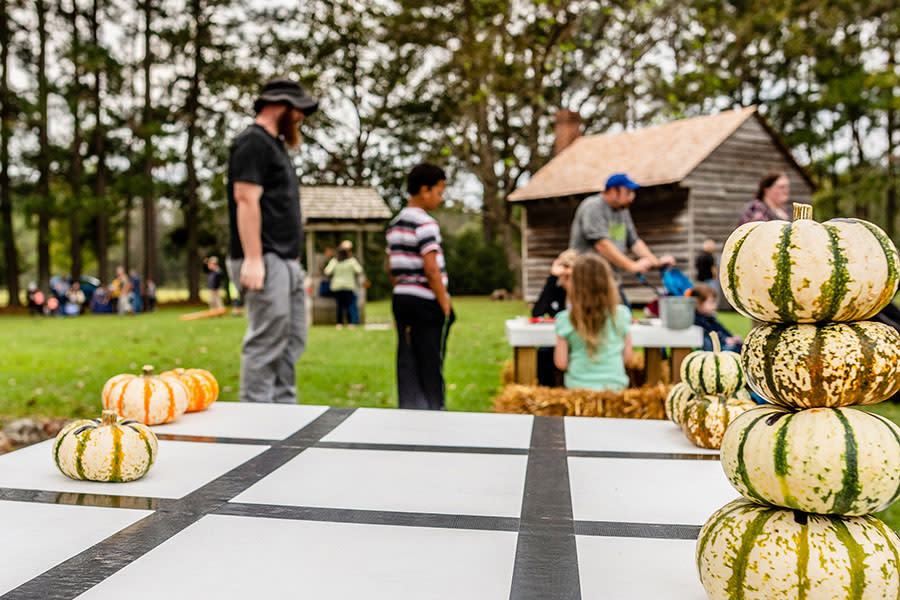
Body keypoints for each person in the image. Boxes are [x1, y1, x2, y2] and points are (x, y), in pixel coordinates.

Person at [226, 78, 317, 404]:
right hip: (262, 259)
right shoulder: (253, 143)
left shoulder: (274, 145)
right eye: (298, 111)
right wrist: (253, 258)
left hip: (286, 261)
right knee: (266, 341)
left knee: (292, 340)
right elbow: (245, 198)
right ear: (279, 105)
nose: (301, 118)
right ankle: (256, 424)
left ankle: (283, 417)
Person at [386, 163, 455, 410]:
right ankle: (433, 407)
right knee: (430, 356)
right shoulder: (426, 224)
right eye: (439, 191)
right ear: (424, 190)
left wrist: (402, 288)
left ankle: (409, 406)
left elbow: (391, 267)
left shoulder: (395, 224)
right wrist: (444, 302)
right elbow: (431, 268)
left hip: (402, 298)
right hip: (426, 300)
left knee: (407, 355)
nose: (441, 197)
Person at [569, 173, 675, 307]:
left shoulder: (622, 211)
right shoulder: (593, 206)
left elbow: (634, 242)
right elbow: (602, 245)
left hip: (610, 279)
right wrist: (632, 266)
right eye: (628, 192)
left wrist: (657, 262)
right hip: (588, 280)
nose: (632, 197)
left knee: (623, 315)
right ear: (613, 191)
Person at [554, 253, 633, 391]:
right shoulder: (622, 314)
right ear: (608, 283)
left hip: (578, 389)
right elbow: (627, 357)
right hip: (615, 388)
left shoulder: (565, 319)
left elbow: (561, 363)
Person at [531, 248, 577, 386]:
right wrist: (552, 278)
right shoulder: (556, 292)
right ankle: (546, 387)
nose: (568, 281)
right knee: (544, 351)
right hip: (558, 342)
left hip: (580, 341)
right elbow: (537, 312)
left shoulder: (585, 296)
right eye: (564, 277)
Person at [692, 283, 742, 353]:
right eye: (711, 302)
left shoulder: (710, 318)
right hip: (713, 350)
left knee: (740, 346)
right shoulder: (697, 320)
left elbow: (722, 330)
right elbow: (710, 335)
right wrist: (725, 339)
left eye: (715, 302)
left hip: (722, 345)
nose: (715, 306)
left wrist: (732, 337)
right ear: (698, 303)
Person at [324, 241, 364, 328]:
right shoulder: (351, 261)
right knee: (349, 305)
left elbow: (327, 271)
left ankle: (339, 323)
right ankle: (350, 323)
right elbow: (359, 270)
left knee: (339, 305)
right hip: (349, 286)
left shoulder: (334, 261)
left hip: (337, 286)